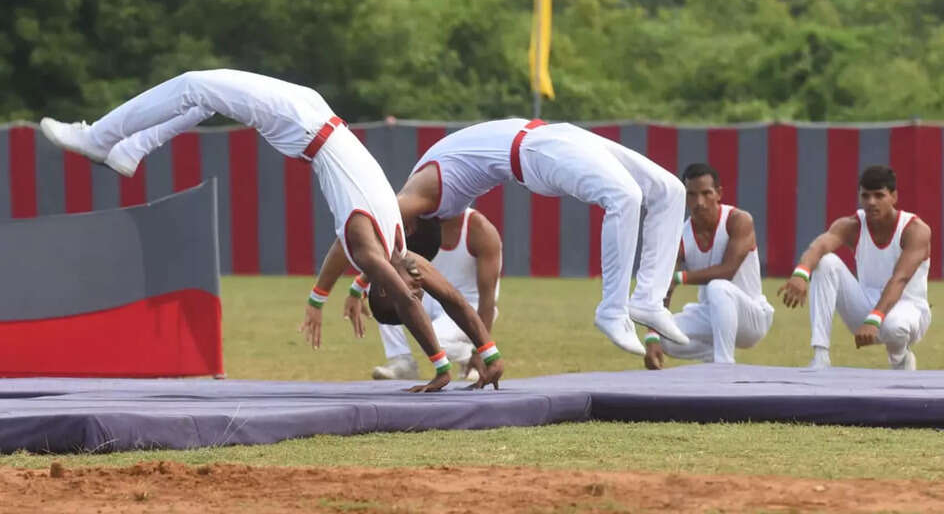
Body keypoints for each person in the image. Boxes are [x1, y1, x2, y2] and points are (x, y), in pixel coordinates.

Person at [38, 68, 498, 392]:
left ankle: (98, 139)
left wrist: (439, 366)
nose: (419, 286)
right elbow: (454, 300)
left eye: (411, 292)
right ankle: (132, 150)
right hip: (315, 116)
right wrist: (489, 352)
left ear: (386, 288)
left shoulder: (367, 249)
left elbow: (401, 297)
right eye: (417, 288)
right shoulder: (399, 247)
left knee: (194, 83)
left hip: (302, 126)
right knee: (204, 96)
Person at [309, 118, 690, 356]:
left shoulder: (418, 199)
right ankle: (612, 310)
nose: (415, 287)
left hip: (551, 137)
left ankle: (648, 300)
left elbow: (356, 230)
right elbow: (388, 254)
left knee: (670, 190)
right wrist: (362, 282)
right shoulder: (436, 205)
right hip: (537, 153)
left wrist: (325, 292)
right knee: (625, 196)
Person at [778, 165, 931, 370]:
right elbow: (820, 245)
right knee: (825, 262)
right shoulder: (851, 225)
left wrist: (875, 319)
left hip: (908, 308)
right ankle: (820, 357)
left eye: (879, 195)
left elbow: (900, 279)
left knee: (895, 327)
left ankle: (900, 358)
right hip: (865, 305)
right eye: (865, 196)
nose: (871, 202)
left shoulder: (915, 230)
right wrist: (801, 273)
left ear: (894, 196)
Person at [643, 163, 773, 369]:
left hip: (751, 318)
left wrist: (680, 278)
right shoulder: (680, 236)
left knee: (718, 287)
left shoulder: (738, 220)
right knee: (665, 334)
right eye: (692, 195)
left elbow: (728, 271)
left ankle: (723, 367)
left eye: (706, 193)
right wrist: (651, 337)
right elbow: (662, 287)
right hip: (712, 315)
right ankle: (714, 357)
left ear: (719, 193)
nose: (699, 202)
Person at [372, 208, 502, 380]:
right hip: (430, 295)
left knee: (437, 340)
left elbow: (488, 301)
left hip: (469, 305)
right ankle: (402, 361)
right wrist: (357, 289)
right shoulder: (413, 221)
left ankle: (468, 356)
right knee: (384, 294)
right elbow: (384, 258)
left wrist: (481, 352)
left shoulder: (481, 231)